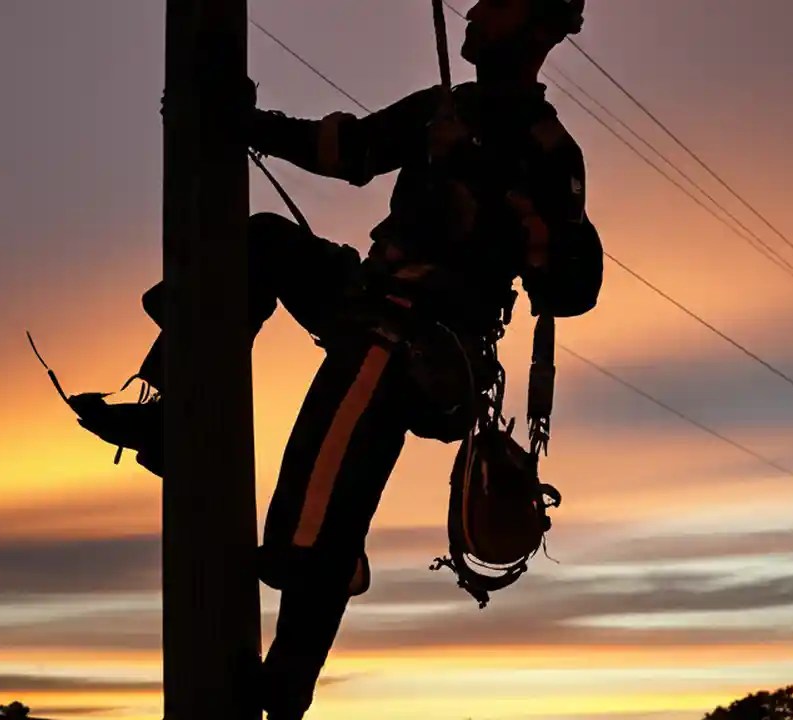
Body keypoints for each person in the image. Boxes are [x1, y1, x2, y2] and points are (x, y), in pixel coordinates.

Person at [75, 1, 601, 717]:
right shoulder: (444, 107)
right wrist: (244, 123)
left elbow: (569, 285)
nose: (472, 12)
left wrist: (483, 188)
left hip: (425, 344)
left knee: (322, 497)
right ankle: (172, 411)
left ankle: (285, 683)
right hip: (370, 300)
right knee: (259, 246)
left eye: (495, 2)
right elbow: (346, 150)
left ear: (537, 25)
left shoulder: (547, 151)